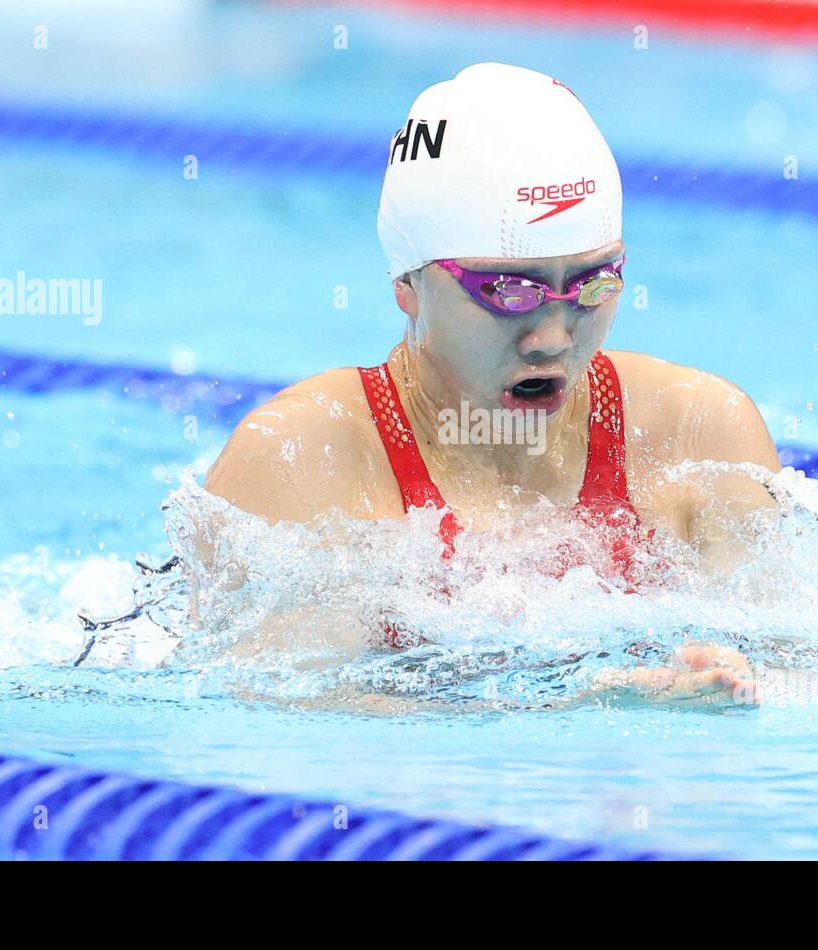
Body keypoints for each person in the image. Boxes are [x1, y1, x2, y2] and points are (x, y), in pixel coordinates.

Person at [205, 63, 779, 704]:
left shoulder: (696, 429)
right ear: (407, 282)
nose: (554, 336)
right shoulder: (303, 456)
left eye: (593, 283)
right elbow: (280, 706)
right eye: (509, 290)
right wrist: (577, 700)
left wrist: (742, 682)